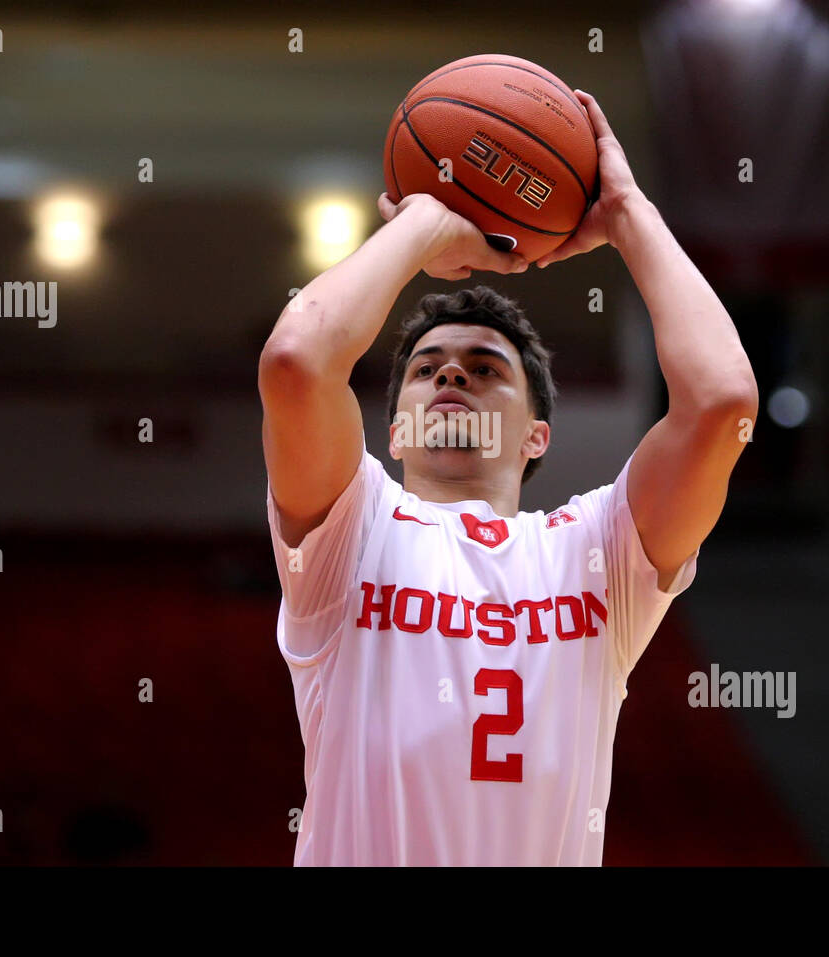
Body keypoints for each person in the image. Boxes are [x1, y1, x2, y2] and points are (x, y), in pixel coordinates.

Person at [258, 90, 758, 865]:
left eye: (484, 367)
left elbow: (724, 403)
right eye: (427, 368)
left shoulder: (593, 553)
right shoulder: (352, 531)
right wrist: (426, 221)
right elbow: (296, 362)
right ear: (394, 431)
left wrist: (627, 213)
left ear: (536, 434)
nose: (451, 373)